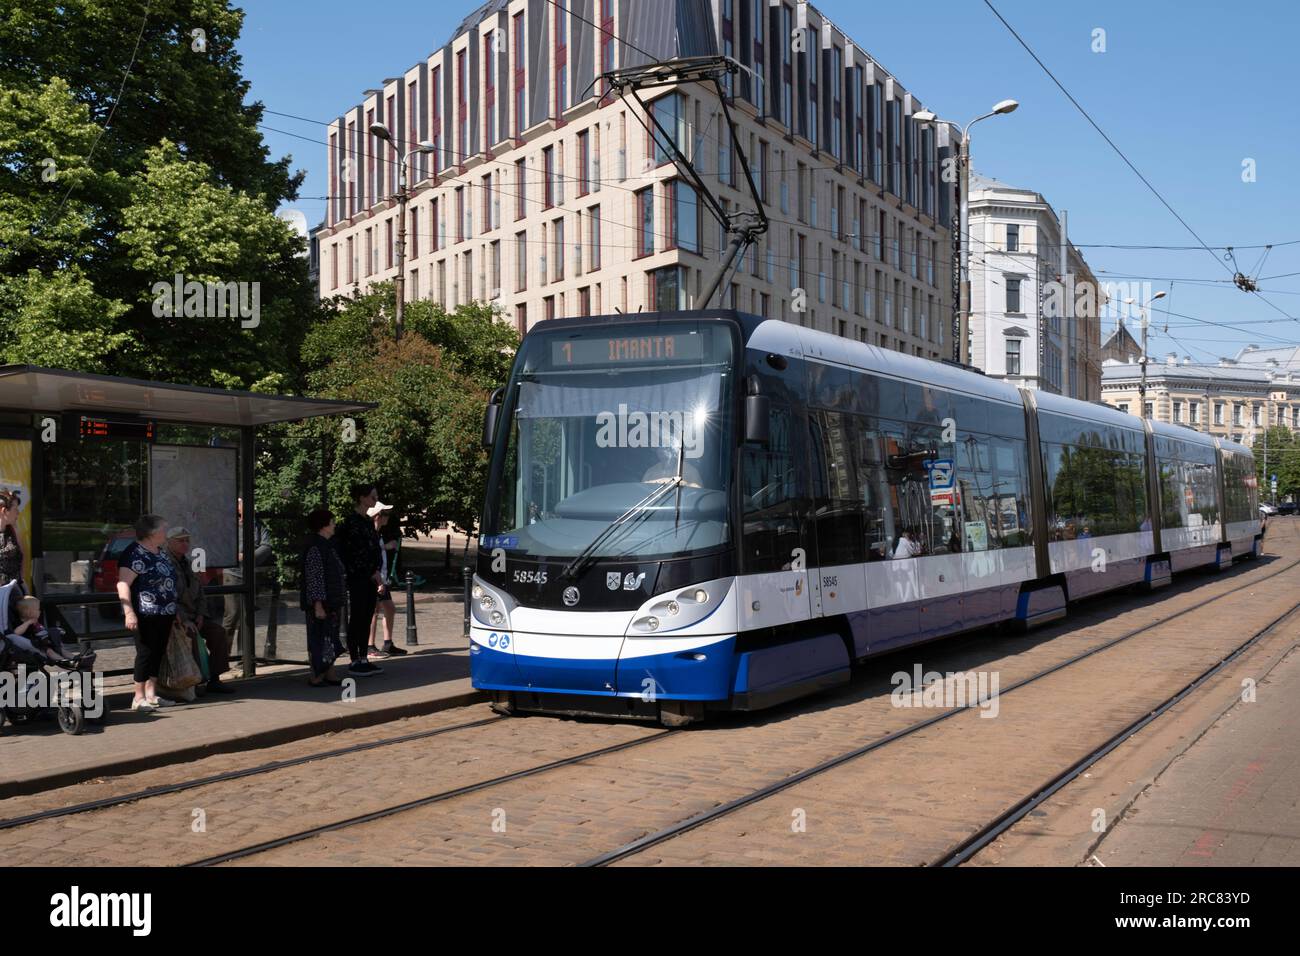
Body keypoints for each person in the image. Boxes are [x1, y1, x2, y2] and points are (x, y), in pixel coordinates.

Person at [116, 514, 179, 712]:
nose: (166, 533)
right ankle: (138, 696)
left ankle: (151, 694)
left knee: (158, 651)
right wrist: (129, 612)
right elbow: (123, 583)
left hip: (165, 611)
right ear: (152, 533)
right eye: (163, 530)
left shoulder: (160, 551)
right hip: (145, 612)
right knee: (145, 652)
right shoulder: (134, 553)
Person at [166, 527, 233, 695]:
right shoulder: (165, 563)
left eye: (187, 540)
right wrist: (184, 619)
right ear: (170, 542)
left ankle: (214, 678)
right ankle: (195, 681)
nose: (185, 544)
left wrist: (201, 615)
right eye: (180, 541)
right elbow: (168, 596)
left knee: (218, 633)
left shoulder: (188, 562)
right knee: (192, 637)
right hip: (176, 618)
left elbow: (201, 592)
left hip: (195, 616)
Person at [336, 483, 384, 676]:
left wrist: (376, 571)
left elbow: (373, 549)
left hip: (371, 577)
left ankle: (364, 656)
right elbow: (353, 553)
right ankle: (355, 658)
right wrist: (370, 570)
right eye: (373, 498)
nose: (375, 501)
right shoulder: (351, 522)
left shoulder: (366, 521)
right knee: (357, 617)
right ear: (362, 498)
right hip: (359, 577)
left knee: (366, 617)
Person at [223, 497, 273, 659]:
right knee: (232, 615)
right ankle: (222, 657)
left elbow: (267, 546)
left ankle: (242, 657)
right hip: (232, 574)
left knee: (247, 615)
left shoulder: (258, 526)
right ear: (237, 508)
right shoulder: (229, 525)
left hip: (250, 575)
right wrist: (236, 556)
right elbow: (223, 547)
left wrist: (247, 556)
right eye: (244, 504)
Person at [300, 508, 346, 686]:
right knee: (319, 638)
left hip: (331, 602)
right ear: (323, 526)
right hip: (322, 603)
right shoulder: (315, 547)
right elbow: (315, 578)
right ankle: (317, 675)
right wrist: (318, 604)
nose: (334, 525)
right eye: (332, 522)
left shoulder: (327, 544)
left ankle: (329, 672)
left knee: (329, 637)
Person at [366, 501, 406, 658]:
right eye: (385, 514)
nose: (388, 517)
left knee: (389, 608)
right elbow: (370, 555)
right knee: (373, 612)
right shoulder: (370, 533)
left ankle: (388, 644)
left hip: (381, 578)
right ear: (377, 516)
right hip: (375, 579)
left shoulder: (377, 533)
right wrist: (386, 547)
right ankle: (369, 646)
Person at [0, 490, 24, 590]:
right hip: (3, 590)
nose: (18, 513)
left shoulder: (13, 530)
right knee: (31, 604)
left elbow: (22, 555)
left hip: (14, 587)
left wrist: (21, 582)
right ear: (4, 511)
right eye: (15, 509)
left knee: (33, 603)